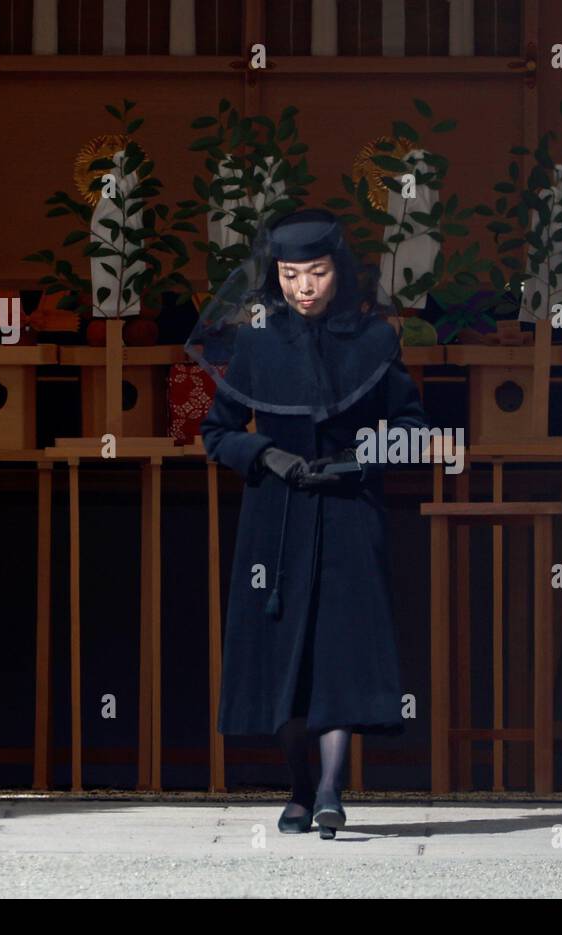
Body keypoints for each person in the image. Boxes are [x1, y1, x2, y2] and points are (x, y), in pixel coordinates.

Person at [191, 207, 428, 839]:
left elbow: (412, 427)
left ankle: (329, 789)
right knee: (282, 657)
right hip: (277, 517)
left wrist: (358, 460)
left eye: (316, 273)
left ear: (338, 272)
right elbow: (215, 433)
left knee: (340, 652)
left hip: (351, 512)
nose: (303, 287)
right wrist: (268, 455)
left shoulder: (376, 340)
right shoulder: (257, 342)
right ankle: (300, 788)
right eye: (291, 274)